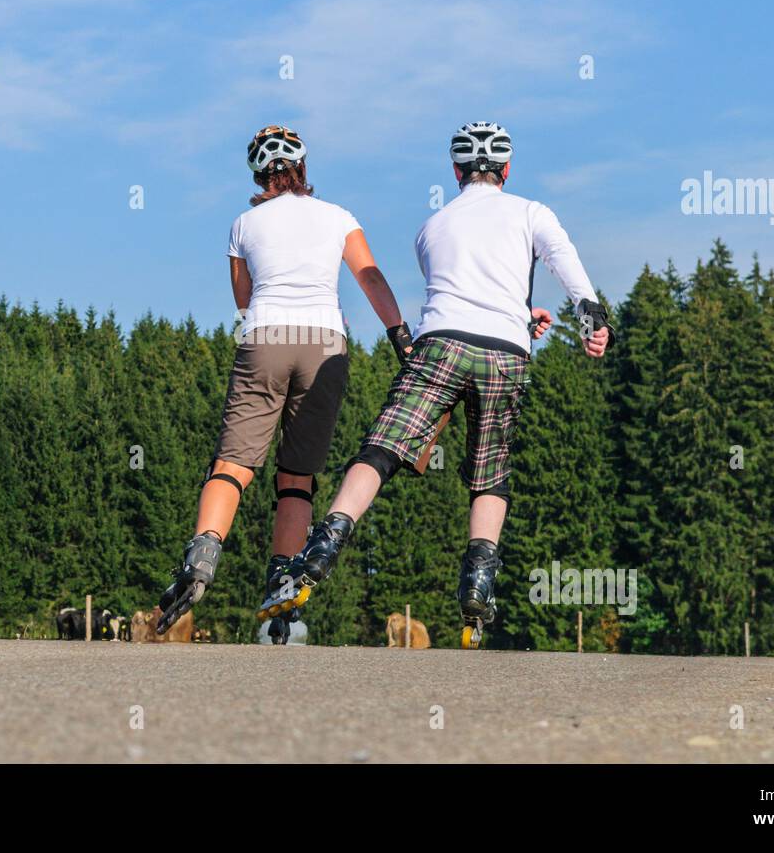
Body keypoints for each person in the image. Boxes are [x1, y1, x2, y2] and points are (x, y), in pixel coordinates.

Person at [260, 121, 613, 648]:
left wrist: (511, 315)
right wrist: (589, 312)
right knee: (489, 470)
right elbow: (560, 259)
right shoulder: (531, 212)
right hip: (504, 355)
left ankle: (329, 537)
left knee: (382, 446)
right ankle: (478, 578)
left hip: (441, 345)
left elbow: (461, 289)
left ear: (456, 171)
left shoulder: (432, 227)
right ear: (507, 169)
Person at [156, 125, 410, 634]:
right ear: (304, 168)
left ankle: (202, 556)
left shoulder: (243, 224)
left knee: (232, 464)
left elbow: (243, 299)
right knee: (296, 478)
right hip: (325, 343)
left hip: (266, 335)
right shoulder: (339, 217)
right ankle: (283, 599)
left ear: (257, 174)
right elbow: (371, 277)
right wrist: (400, 336)